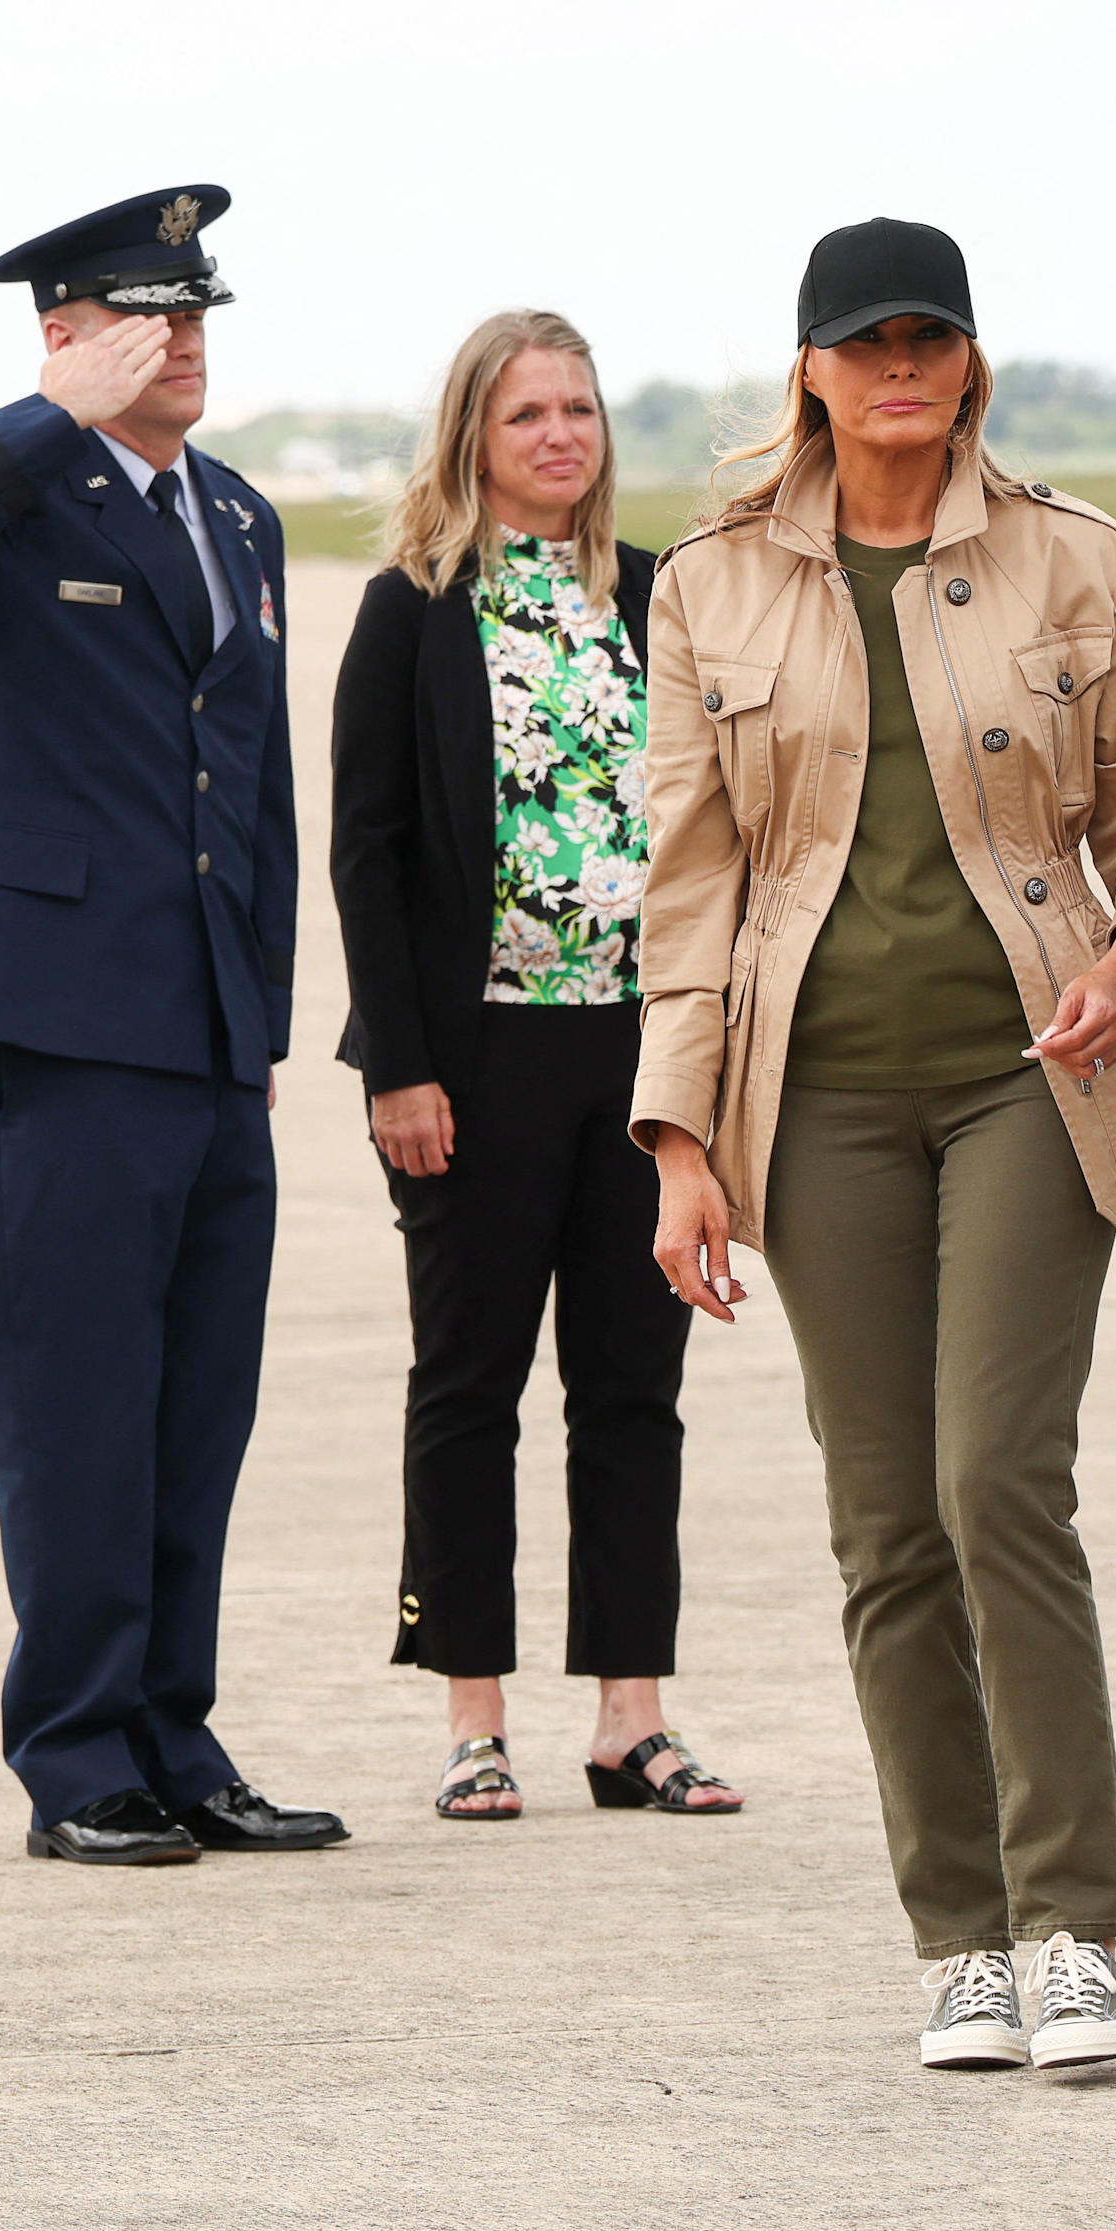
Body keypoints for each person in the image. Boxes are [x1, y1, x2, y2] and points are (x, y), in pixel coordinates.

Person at [632, 217, 1116, 2074]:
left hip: (1030, 1080)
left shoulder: (1078, 562)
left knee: (997, 1485)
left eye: (930, 338)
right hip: (810, 1104)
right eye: (864, 341)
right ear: (809, 368)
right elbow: (689, 884)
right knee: (885, 1524)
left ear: (971, 362)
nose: (900, 367)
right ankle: (959, 1939)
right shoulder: (710, 589)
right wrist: (677, 1139)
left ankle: (1074, 1924)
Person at [0, 185, 345, 1866]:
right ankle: (75, 1757)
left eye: (198, 313)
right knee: (74, 1408)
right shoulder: (4, 494)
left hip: (205, 1038)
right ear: (65, 330)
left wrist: (262, 1019)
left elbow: (258, 789)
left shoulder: (242, 519)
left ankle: (174, 1735)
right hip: (52, 1032)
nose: (182, 341)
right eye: (145, 316)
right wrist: (43, 415)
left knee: (195, 1409)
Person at [330, 309, 733, 1824]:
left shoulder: (657, 602)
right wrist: (401, 1066)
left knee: (635, 1391)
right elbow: (366, 854)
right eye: (525, 417)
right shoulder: (413, 609)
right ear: (472, 440)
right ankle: (472, 1715)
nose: (559, 436)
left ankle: (631, 1718)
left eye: (578, 410)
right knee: (470, 1387)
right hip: (473, 1060)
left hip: (635, 1063)